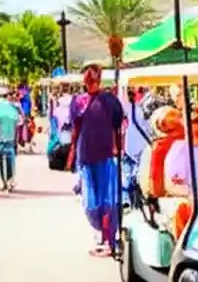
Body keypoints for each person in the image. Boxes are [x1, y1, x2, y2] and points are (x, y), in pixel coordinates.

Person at [68, 64, 124, 258]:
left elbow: (119, 127)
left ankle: (109, 240)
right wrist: (72, 153)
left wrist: (118, 149)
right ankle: (102, 233)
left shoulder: (110, 100)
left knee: (108, 202)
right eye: (88, 78)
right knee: (91, 205)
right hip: (85, 157)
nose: (90, 82)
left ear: (99, 79)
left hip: (106, 157)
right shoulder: (78, 101)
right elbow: (75, 129)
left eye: (94, 78)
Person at [0, 88, 20, 191]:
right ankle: (11, 181)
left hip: (0, 137)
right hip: (11, 136)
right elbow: (19, 121)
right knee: (10, 159)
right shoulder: (12, 107)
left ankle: (4, 183)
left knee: (1, 159)